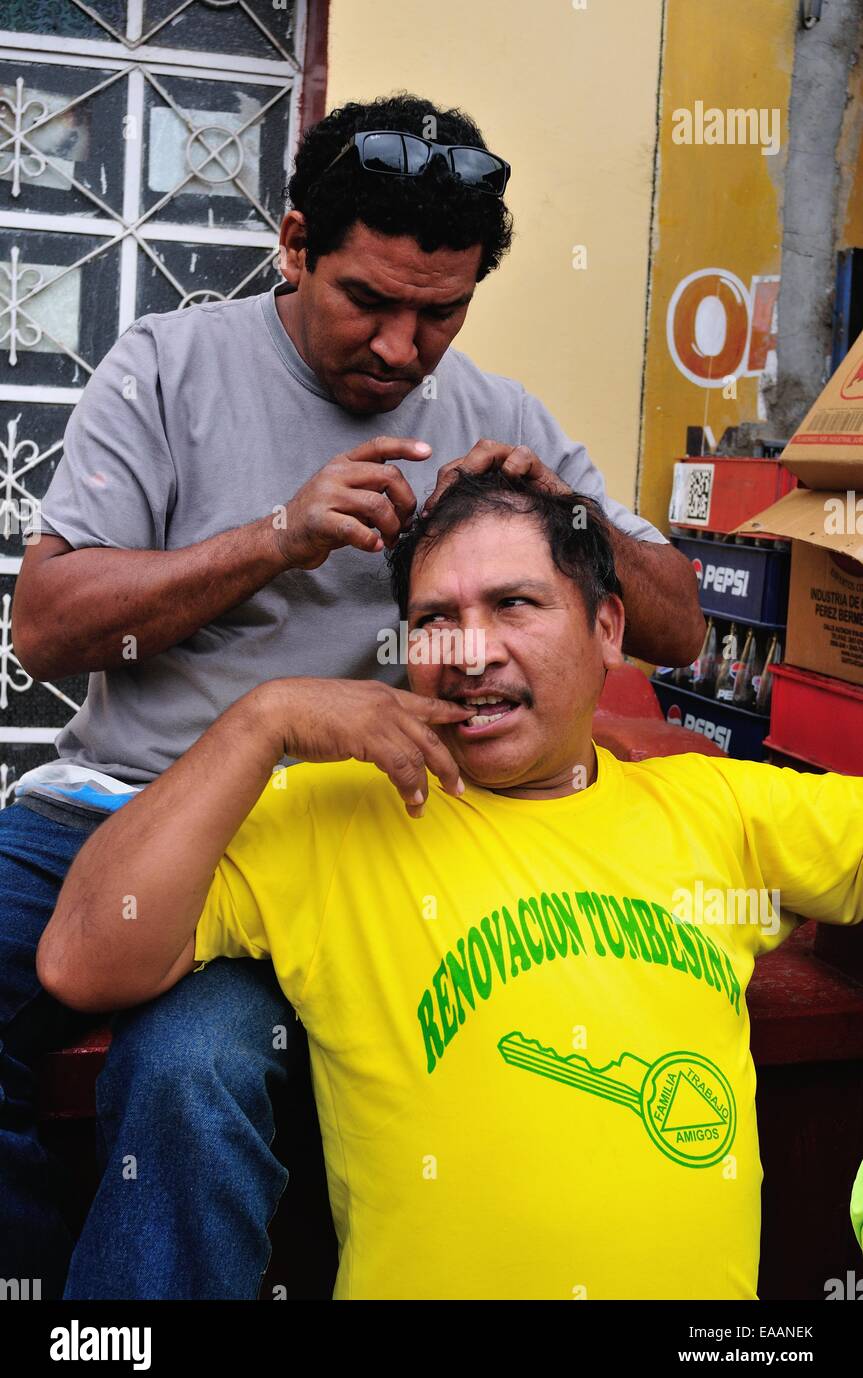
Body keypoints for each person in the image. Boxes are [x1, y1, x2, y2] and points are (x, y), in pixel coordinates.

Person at [2, 92, 703, 1300]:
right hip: (104, 812)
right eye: (364, 300)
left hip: (333, 848)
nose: (397, 347)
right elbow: (47, 630)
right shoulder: (170, 365)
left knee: (196, 1072)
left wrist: (565, 512)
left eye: (439, 313)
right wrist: (273, 537)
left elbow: (679, 627)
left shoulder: (497, 415)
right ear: (292, 244)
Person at [37, 468, 863, 1300]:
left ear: (607, 628)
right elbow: (82, 956)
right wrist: (263, 719)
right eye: (434, 620)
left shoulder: (717, 808)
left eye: (514, 605)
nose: (470, 651)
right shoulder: (338, 816)